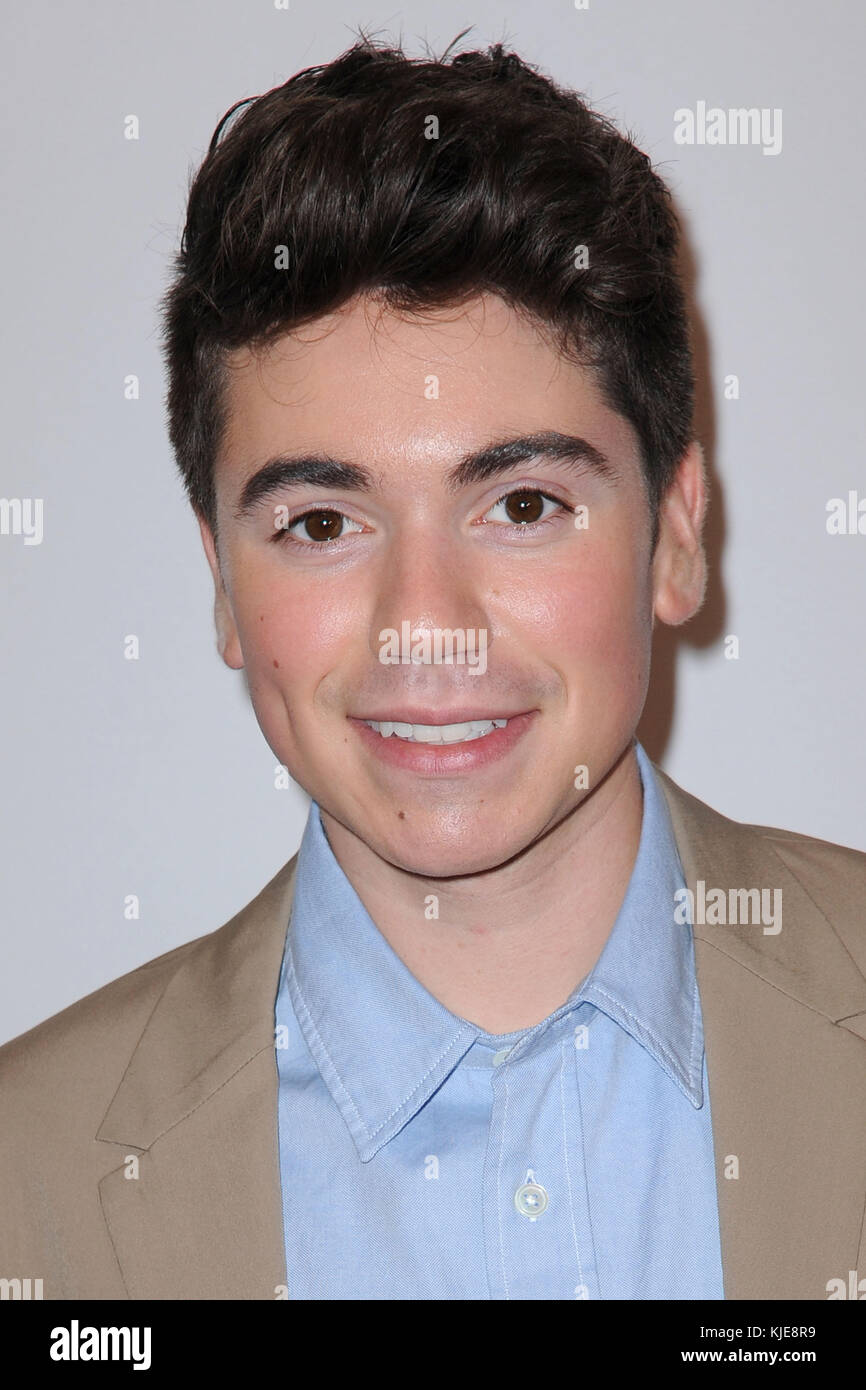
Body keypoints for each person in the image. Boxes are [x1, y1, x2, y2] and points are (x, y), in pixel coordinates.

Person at [2, 32, 865, 1303]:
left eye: (519, 505)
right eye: (320, 524)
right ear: (224, 583)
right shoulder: (25, 1188)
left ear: (675, 533)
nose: (424, 625)